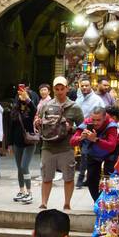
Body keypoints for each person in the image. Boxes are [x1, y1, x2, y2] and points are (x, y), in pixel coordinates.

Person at [38, 76, 83, 212]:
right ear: (53, 90)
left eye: (62, 89)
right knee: (46, 176)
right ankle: (44, 202)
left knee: (68, 176)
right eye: (57, 89)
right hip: (48, 146)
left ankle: (67, 203)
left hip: (66, 147)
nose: (59, 91)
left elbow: (83, 126)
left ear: (67, 89)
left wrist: (72, 128)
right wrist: (38, 123)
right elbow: (40, 122)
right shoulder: (46, 105)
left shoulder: (74, 107)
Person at [80, 105, 119, 200]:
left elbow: (111, 146)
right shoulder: (87, 122)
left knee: (110, 177)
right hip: (94, 150)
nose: (95, 122)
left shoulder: (112, 126)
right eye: (93, 119)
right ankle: (98, 201)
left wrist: (96, 139)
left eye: (98, 120)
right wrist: (80, 137)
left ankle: (110, 200)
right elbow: (73, 141)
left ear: (104, 117)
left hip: (110, 151)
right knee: (91, 177)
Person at [11, 83, 37, 203]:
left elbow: (34, 108)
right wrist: (9, 144)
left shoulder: (31, 110)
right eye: (20, 95)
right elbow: (11, 125)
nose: (21, 97)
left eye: (24, 95)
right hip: (17, 141)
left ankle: (29, 191)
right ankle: (22, 191)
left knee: (24, 166)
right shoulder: (15, 110)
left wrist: (27, 99)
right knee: (19, 168)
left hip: (29, 141)